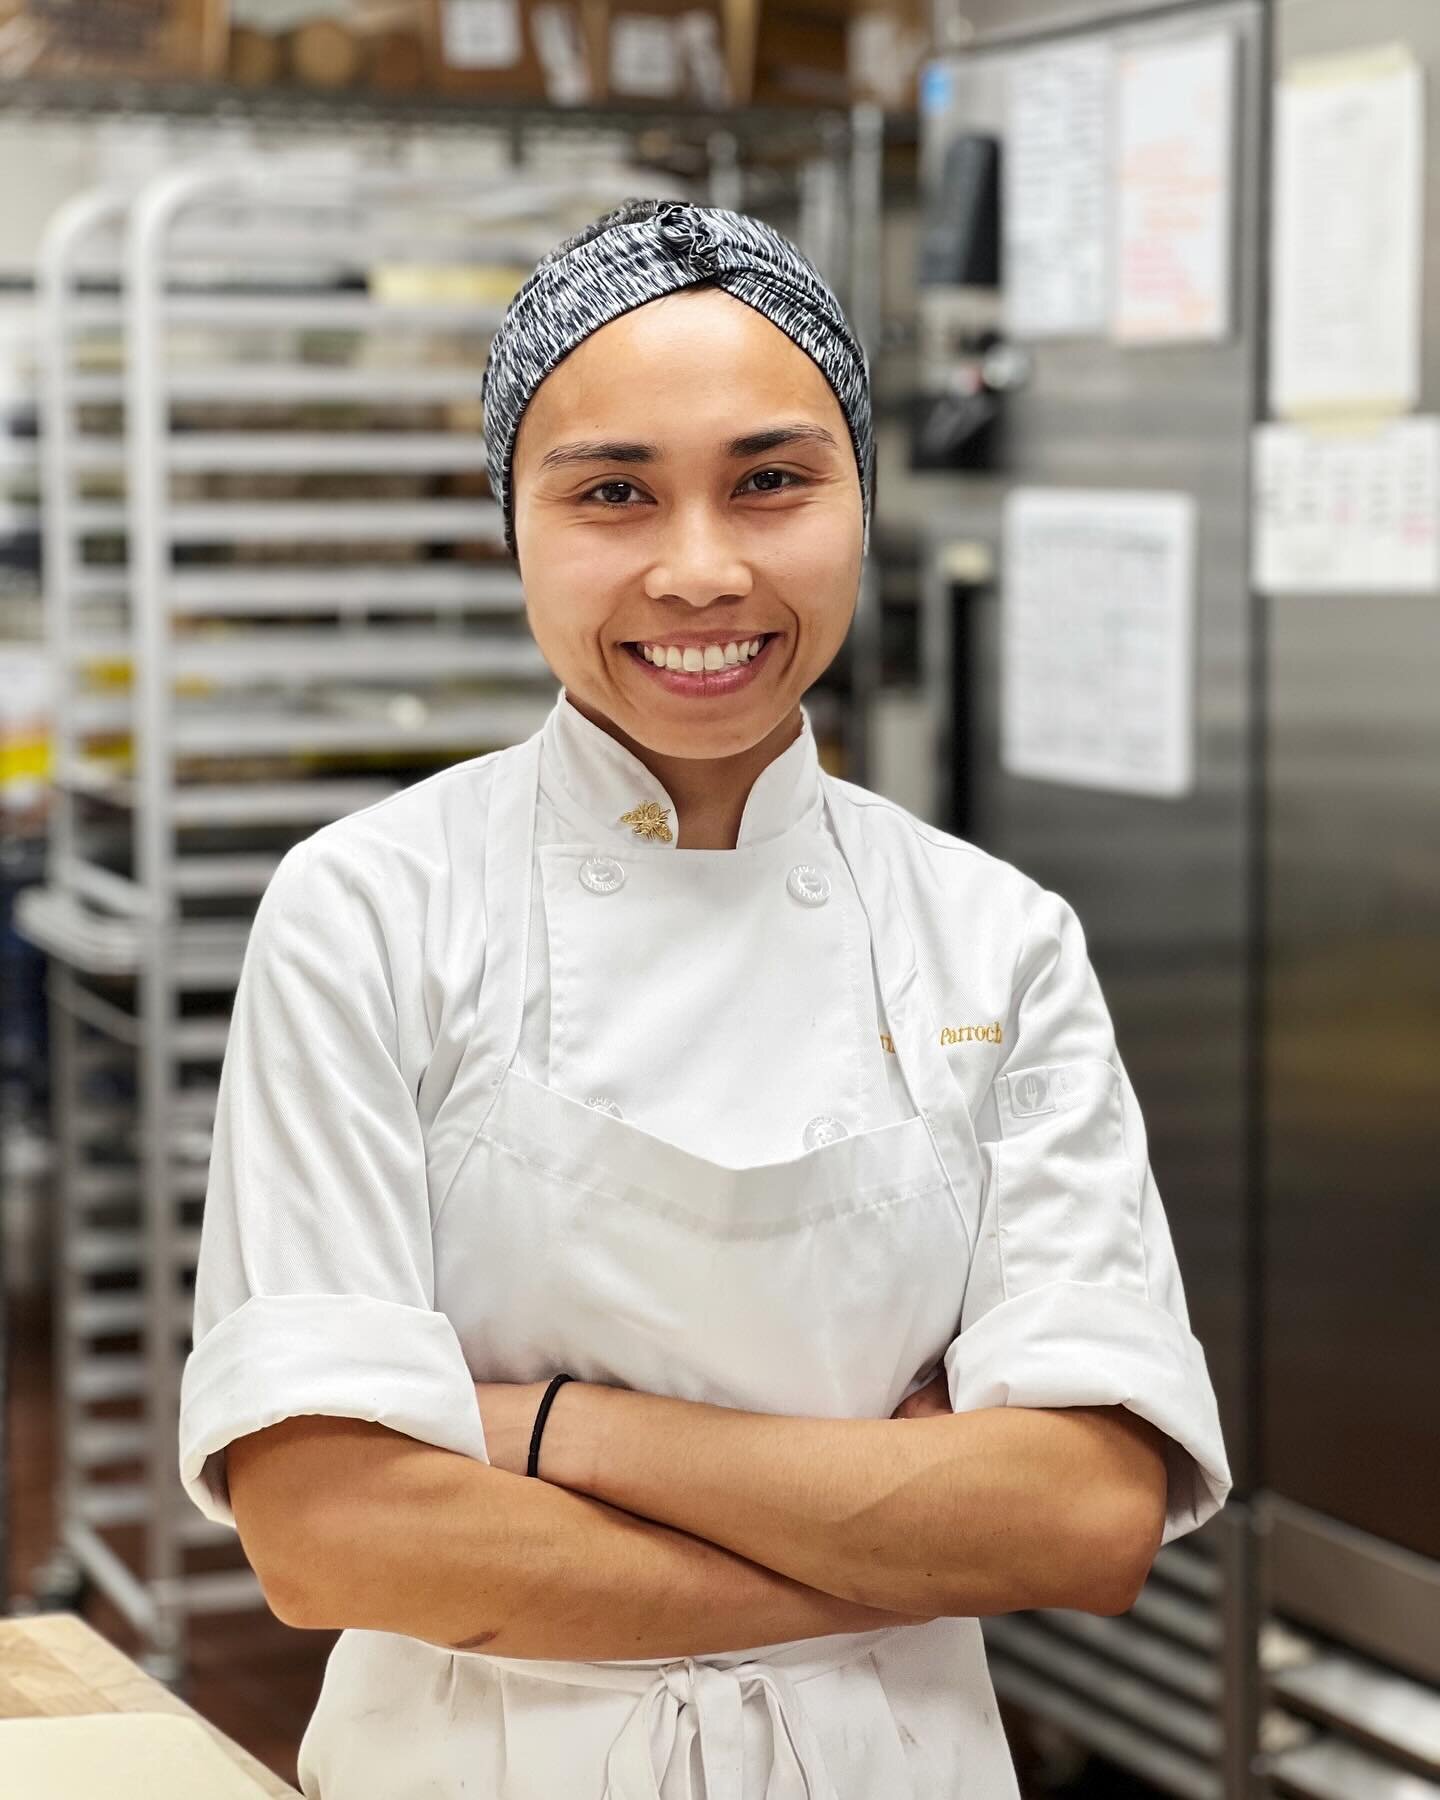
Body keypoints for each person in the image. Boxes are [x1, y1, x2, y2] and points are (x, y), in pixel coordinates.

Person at [178, 197, 1231, 1799]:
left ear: (859, 504)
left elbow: (1081, 1517)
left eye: (772, 481)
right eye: (612, 492)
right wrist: (893, 1539)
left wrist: (538, 1433)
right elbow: (333, 1537)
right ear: (509, 523)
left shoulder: (995, 939)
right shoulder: (372, 910)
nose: (701, 569)